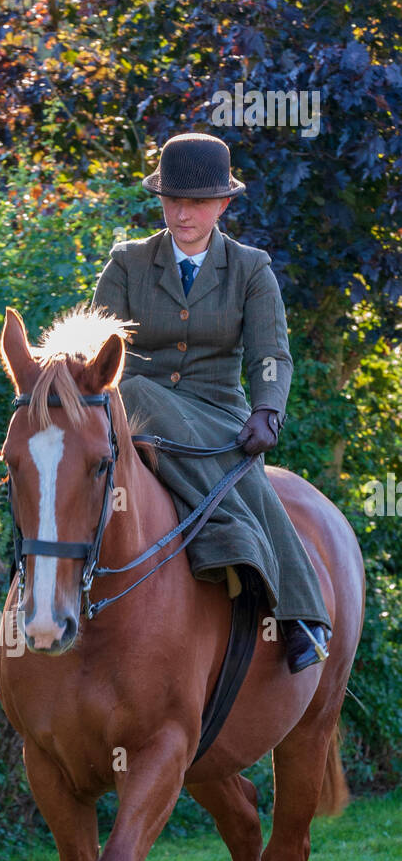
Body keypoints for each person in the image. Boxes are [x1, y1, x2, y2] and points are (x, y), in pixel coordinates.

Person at [91, 131, 331, 672]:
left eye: (197, 202)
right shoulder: (127, 264)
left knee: (247, 473)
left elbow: (271, 355)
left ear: (223, 203)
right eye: (173, 200)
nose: (182, 213)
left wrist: (268, 410)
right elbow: (95, 347)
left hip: (219, 414)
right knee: (117, 409)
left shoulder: (251, 269)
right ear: (161, 200)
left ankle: (302, 613)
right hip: (133, 413)